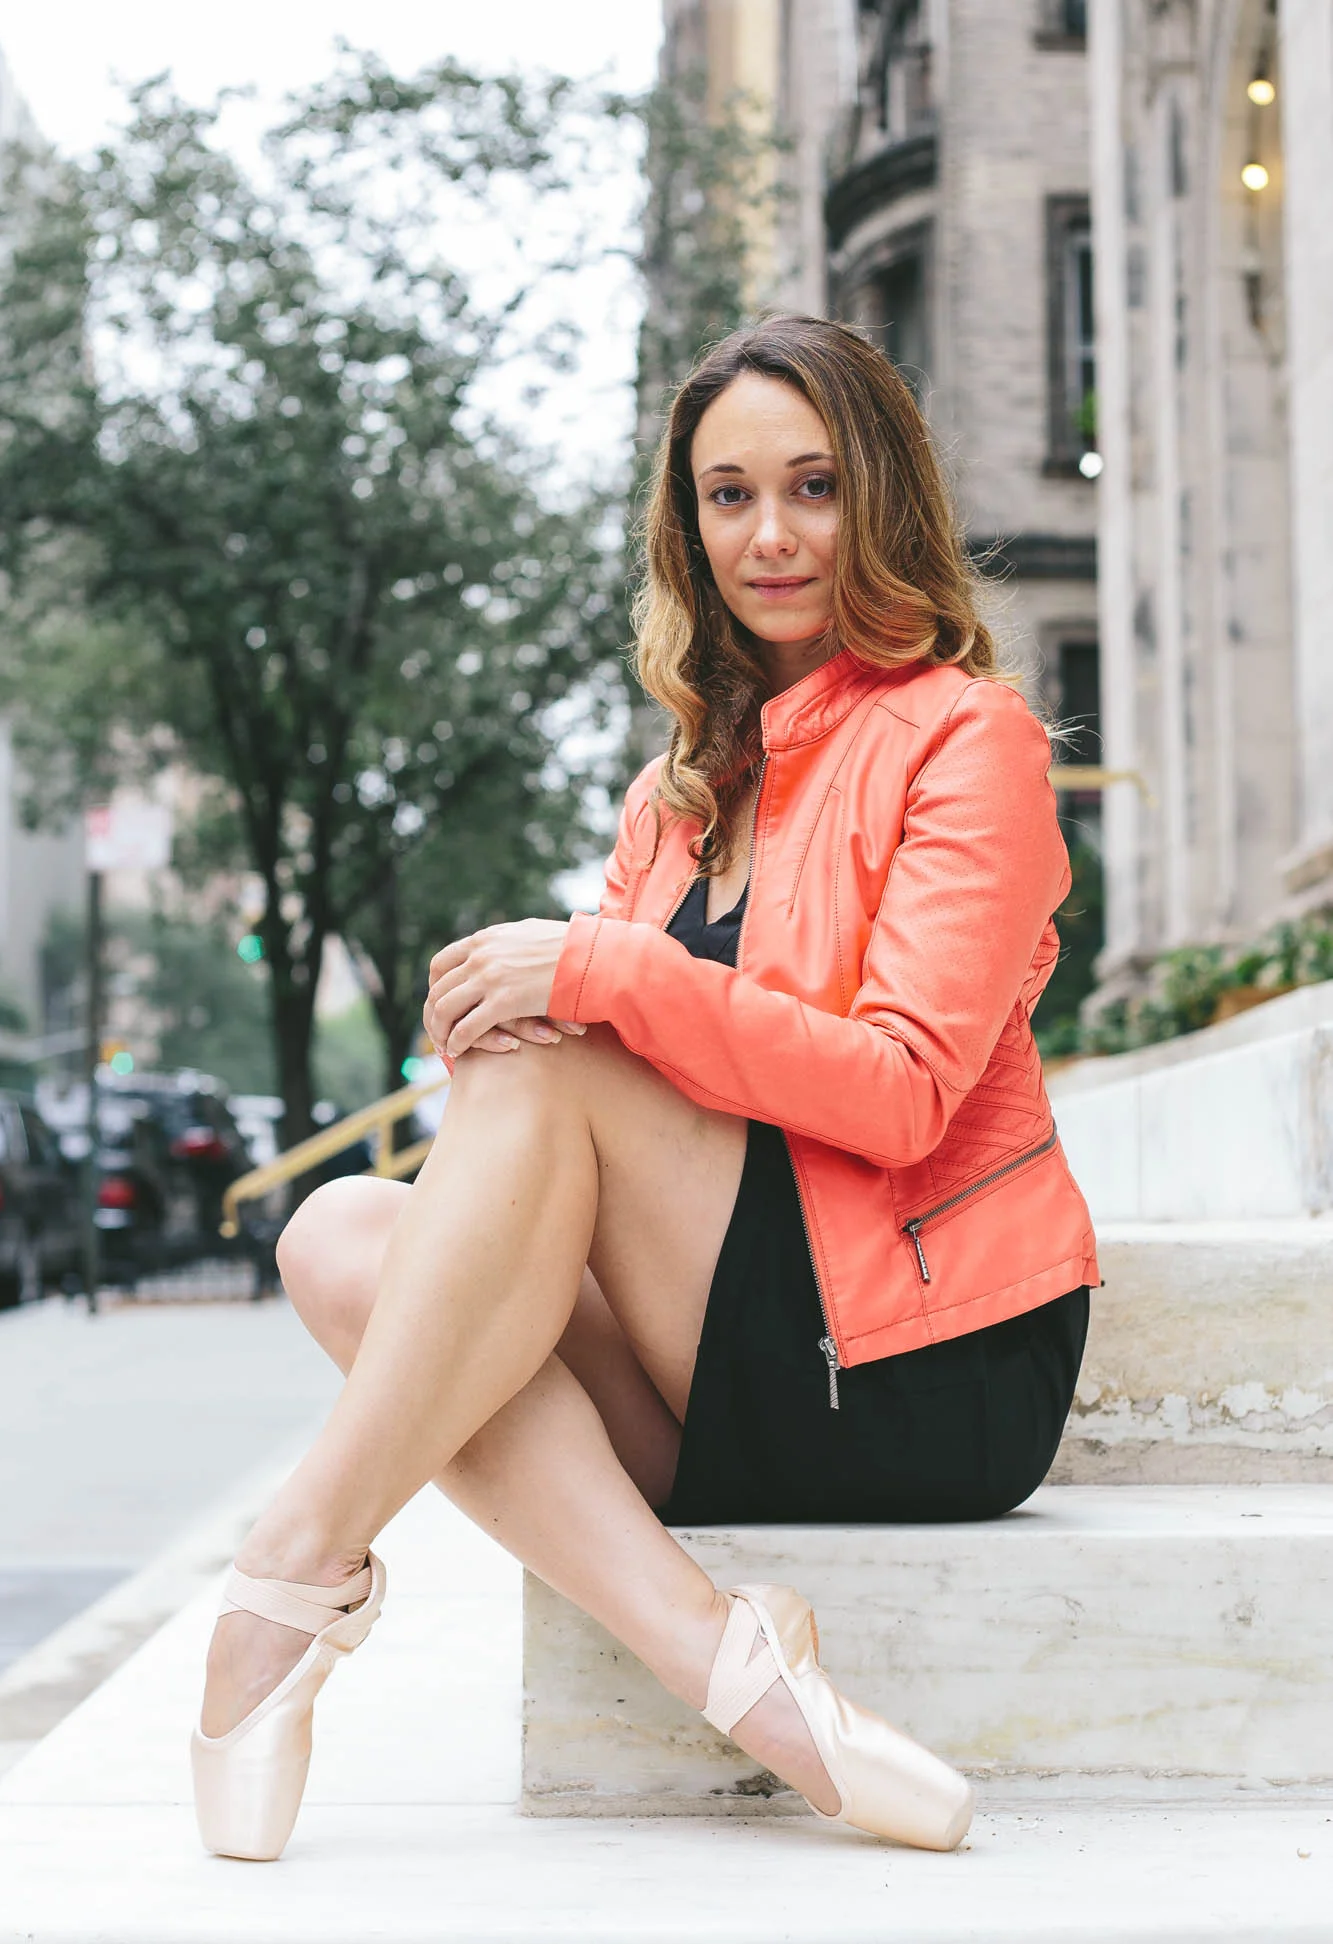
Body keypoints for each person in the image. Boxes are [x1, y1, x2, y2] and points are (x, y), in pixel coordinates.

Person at [191, 314, 1099, 1863]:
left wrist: (595, 979)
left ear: (881, 496)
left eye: (812, 486)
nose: (771, 535)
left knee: (568, 1055)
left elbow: (899, 1092)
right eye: (727, 495)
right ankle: (731, 1667)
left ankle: (286, 1575)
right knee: (340, 1232)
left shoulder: (969, 740)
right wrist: (520, 1016)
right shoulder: (678, 793)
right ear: (688, 526)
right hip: (740, 1356)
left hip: (930, 1355)